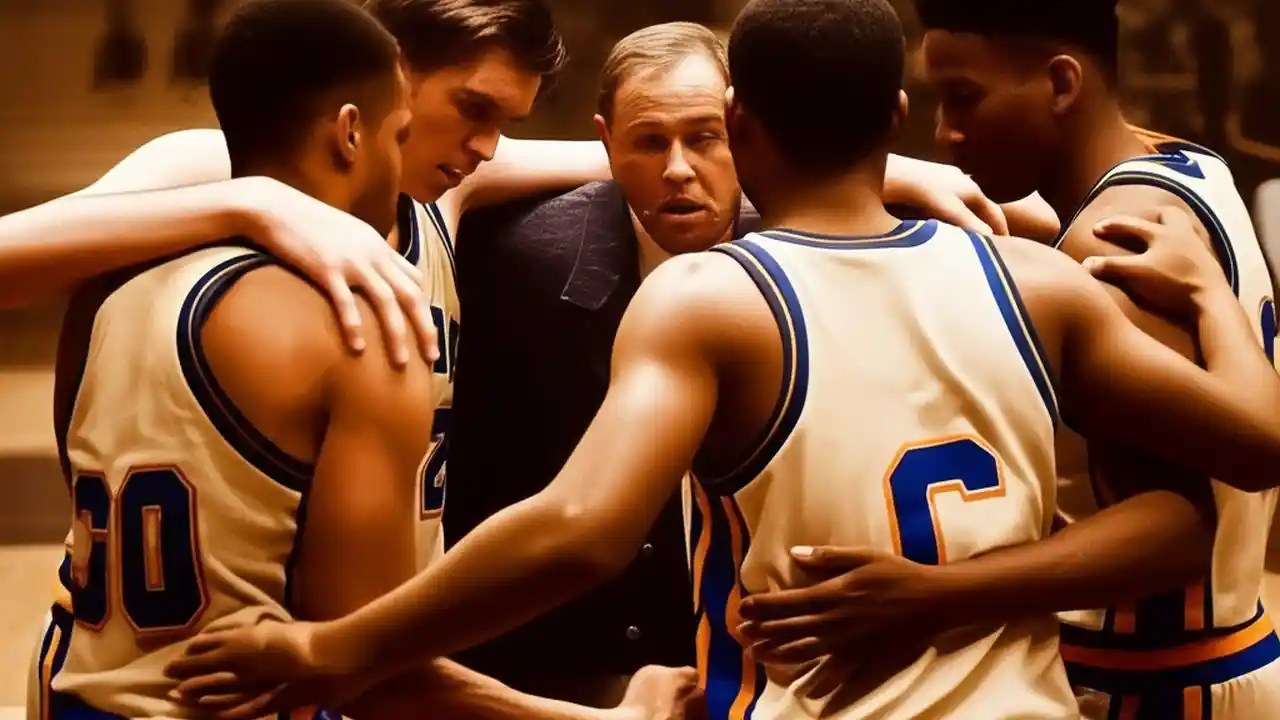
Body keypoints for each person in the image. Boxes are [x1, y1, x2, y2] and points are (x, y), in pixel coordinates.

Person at [163, 0, 1280, 718]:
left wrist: (330, 649)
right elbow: (1232, 474)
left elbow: (574, 533)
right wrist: (1211, 306)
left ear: (738, 128)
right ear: (889, 118)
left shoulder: (708, 295)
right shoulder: (1034, 278)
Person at [32, 2, 701, 719]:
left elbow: (636, 152)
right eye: (473, 108)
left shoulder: (445, 192)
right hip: (263, 681)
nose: (488, 146)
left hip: (99, 672)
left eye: (507, 122)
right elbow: (361, 664)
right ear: (391, 77)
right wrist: (248, 205)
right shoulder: (218, 176)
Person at [740, 2, 1280, 717]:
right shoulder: (1183, 163)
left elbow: (1180, 528)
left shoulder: (1112, 246)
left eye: (965, 98)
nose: (947, 131)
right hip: (1231, 649)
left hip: (1148, 681)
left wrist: (929, 596)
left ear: (1061, 84)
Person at [447, 22, 748, 705]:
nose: (677, 168)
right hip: (555, 672)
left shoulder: (806, 254)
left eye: (705, 137)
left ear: (745, 131)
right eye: (648, 141)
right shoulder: (514, 262)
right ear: (606, 145)